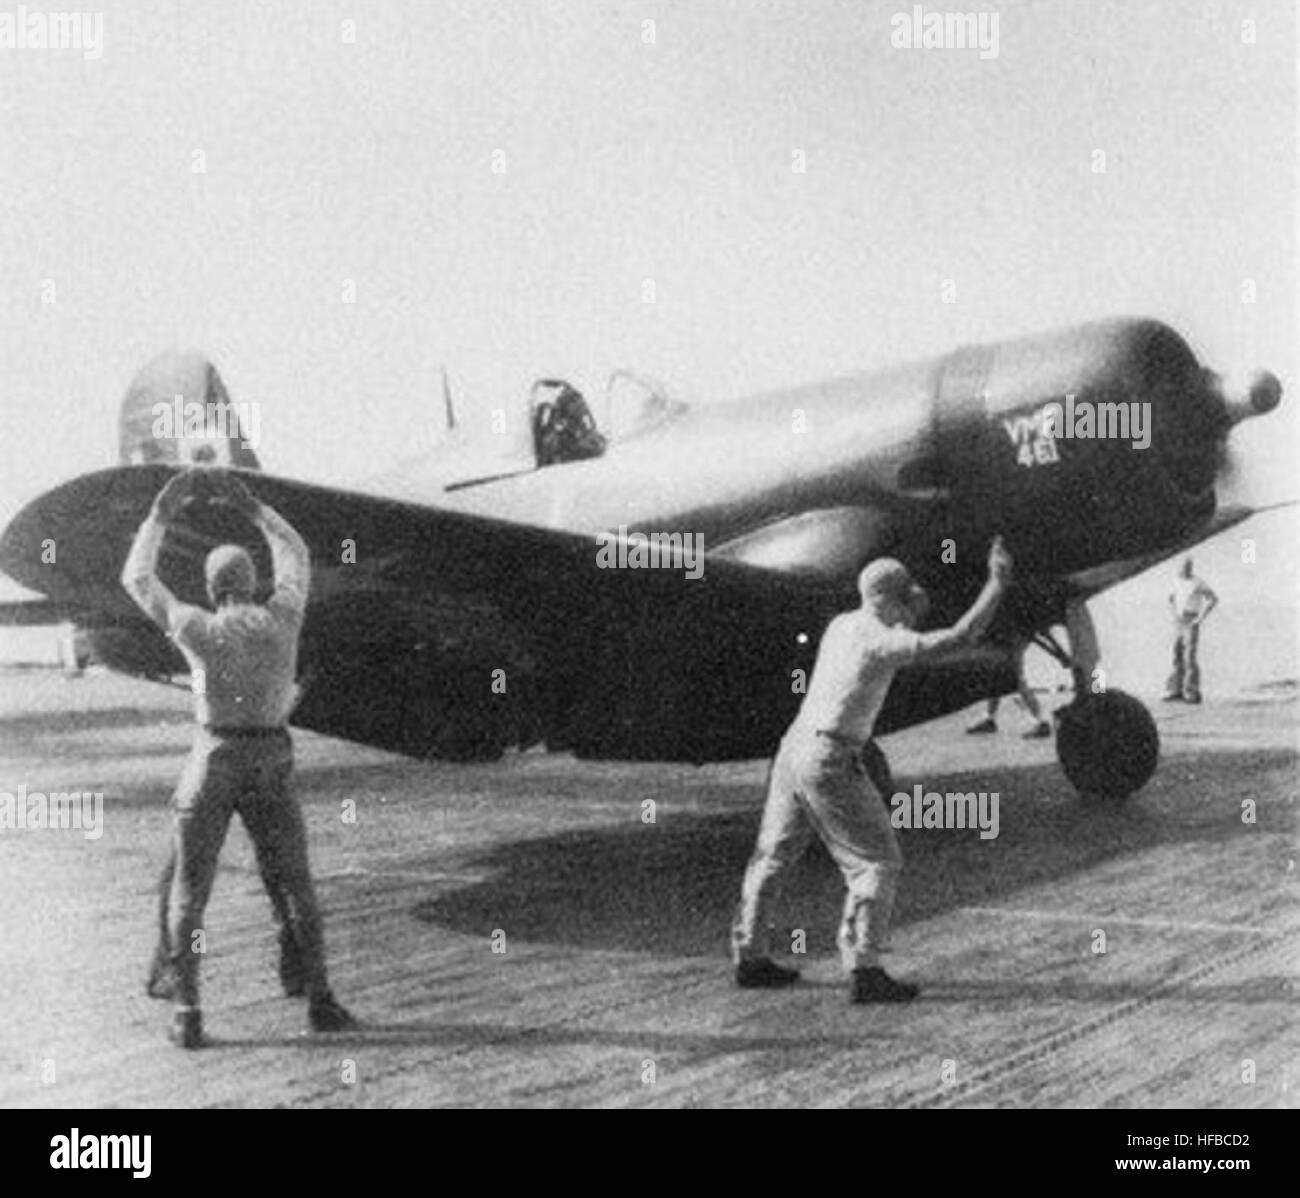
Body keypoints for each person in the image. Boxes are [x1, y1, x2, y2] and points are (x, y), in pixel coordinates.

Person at [122, 468, 356, 1047]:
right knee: (297, 885)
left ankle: (188, 1014)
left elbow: (137, 578)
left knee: (189, 891)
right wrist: (254, 509)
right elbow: (295, 553)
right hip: (271, 759)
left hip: (215, 757)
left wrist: (160, 514)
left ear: (211, 588)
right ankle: (321, 1000)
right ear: (253, 581)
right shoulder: (285, 618)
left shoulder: (196, 626)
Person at [731, 538, 1013, 1003]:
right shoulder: (882, 642)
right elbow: (961, 636)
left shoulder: (843, 625)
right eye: (907, 594)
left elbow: (890, 611)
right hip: (831, 757)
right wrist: (995, 585)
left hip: (793, 749)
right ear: (893, 599)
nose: (915, 601)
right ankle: (865, 968)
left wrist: (903, 602)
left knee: (773, 856)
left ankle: (749, 955)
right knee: (877, 861)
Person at [1164, 556, 1218, 703]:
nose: (1185, 569)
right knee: (1176, 655)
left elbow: (1213, 599)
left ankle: (1192, 692)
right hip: (1178, 621)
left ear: (1191, 568)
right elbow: (1170, 599)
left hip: (1191, 620)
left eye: (1188, 566)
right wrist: (1173, 614)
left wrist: (1200, 619)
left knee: (1190, 657)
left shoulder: (1198, 582)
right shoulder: (1176, 581)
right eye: (1183, 566)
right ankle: (1175, 690)